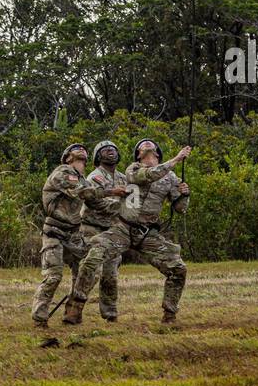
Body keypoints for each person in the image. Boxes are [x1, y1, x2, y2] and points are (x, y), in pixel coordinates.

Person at [64, 140, 192, 326]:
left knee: (178, 269)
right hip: (123, 229)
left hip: (148, 234)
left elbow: (180, 208)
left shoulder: (171, 177)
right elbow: (147, 176)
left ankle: (169, 314)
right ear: (138, 155)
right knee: (94, 254)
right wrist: (177, 159)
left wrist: (184, 194)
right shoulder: (133, 169)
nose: (147, 144)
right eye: (142, 145)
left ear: (157, 152)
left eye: (150, 143)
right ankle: (76, 306)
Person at [31, 143, 116, 327]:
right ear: (68, 157)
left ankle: (72, 311)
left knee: (90, 271)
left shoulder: (82, 179)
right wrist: (111, 191)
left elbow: (96, 201)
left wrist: (123, 205)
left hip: (73, 234)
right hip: (54, 232)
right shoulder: (63, 172)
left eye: (83, 150)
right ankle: (40, 318)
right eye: (76, 150)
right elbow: (84, 192)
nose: (81, 150)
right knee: (53, 276)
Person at [80, 140, 130, 322]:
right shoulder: (94, 177)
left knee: (111, 274)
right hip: (92, 229)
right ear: (98, 156)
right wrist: (119, 205)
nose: (110, 151)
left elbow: (134, 204)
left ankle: (110, 314)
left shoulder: (124, 178)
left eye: (113, 149)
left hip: (113, 231)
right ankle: (75, 307)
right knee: (93, 270)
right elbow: (96, 203)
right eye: (105, 150)